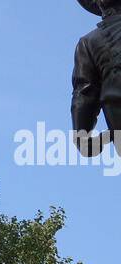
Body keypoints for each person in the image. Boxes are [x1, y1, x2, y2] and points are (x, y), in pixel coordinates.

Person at [72, 0, 121, 155]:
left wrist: (82, 138)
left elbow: (84, 97)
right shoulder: (89, 43)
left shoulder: (89, 43)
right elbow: (83, 96)